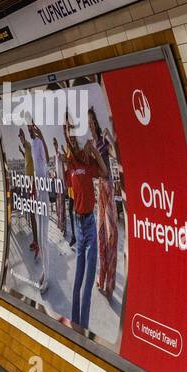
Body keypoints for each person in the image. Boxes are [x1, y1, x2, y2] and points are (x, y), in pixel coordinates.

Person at [64, 118, 108, 331]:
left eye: (73, 132)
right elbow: (69, 190)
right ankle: (75, 326)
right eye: (68, 133)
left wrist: (94, 151)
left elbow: (105, 172)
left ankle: (83, 329)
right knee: (76, 283)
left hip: (89, 225)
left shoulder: (85, 163)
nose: (71, 136)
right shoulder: (70, 165)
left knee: (88, 284)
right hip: (77, 225)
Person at [90, 110, 119, 299]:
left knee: (111, 236)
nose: (91, 125)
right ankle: (102, 279)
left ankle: (110, 282)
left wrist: (109, 137)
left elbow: (115, 155)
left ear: (96, 122)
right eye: (88, 122)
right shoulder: (91, 144)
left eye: (92, 121)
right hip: (99, 189)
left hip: (108, 188)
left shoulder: (101, 141)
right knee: (101, 237)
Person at [25, 121, 50, 293]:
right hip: (38, 192)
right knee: (41, 239)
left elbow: (47, 161)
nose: (30, 130)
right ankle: (44, 271)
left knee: (45, 240)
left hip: (45, 193)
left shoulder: (39, 142)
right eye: (29, 128)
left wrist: (42, 136)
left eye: (32, 127)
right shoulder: (33, 144)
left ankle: (46, 278)